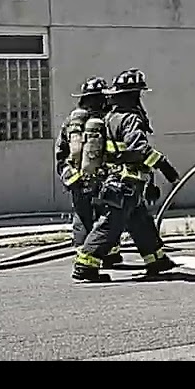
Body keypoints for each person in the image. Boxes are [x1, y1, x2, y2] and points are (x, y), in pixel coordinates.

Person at [71, 69, 180, 283]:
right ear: (133, 95)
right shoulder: (130, 118)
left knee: (140, 221)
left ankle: (156, 259)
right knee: (111, 224)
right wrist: (164, 166)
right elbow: (139, 150)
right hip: (125, 183)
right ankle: (85, 264)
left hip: (117, 181)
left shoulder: (110, 116)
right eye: (138, 93)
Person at [54, 76, 122, 268]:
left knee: (83, 215)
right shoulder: (105, 121)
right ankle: (107, 254)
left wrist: (70, 177)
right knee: (106, 215)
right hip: (101, 178)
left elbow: (62, 153)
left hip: (77, 177)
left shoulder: (71, 121)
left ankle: (83, 253)